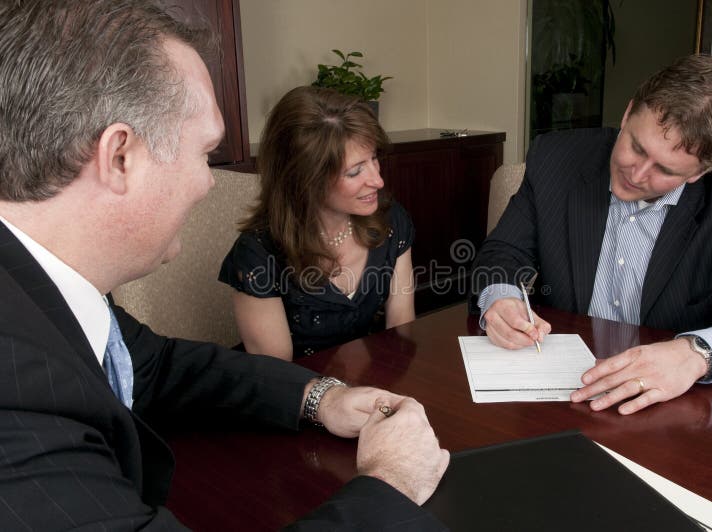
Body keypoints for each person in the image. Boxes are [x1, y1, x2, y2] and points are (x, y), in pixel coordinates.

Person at [0, 1, 448, 530]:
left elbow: (161, 367)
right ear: (119, 156)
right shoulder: (16, 398)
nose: (210, 182)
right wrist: (391, 481)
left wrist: (320, 397)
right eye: (205, 154)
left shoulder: (44, 294)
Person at [471, 54, 712, 415]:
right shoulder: (556, 159)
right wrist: (500, 300)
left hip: (670, 410)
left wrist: (696, 355)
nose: (637, 174)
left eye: (664, 169)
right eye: (636, 146)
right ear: (628, 115)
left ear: (700, 171)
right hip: (560, 396)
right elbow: (503, 251)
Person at [219, 86, 415, 360]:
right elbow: (277, 378)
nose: (378, 181)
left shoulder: (390, 220)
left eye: (374, 159)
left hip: (373, 386)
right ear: (307, 180)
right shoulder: (257, 255)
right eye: (355, 171)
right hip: (296, 394)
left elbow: (401, 334)